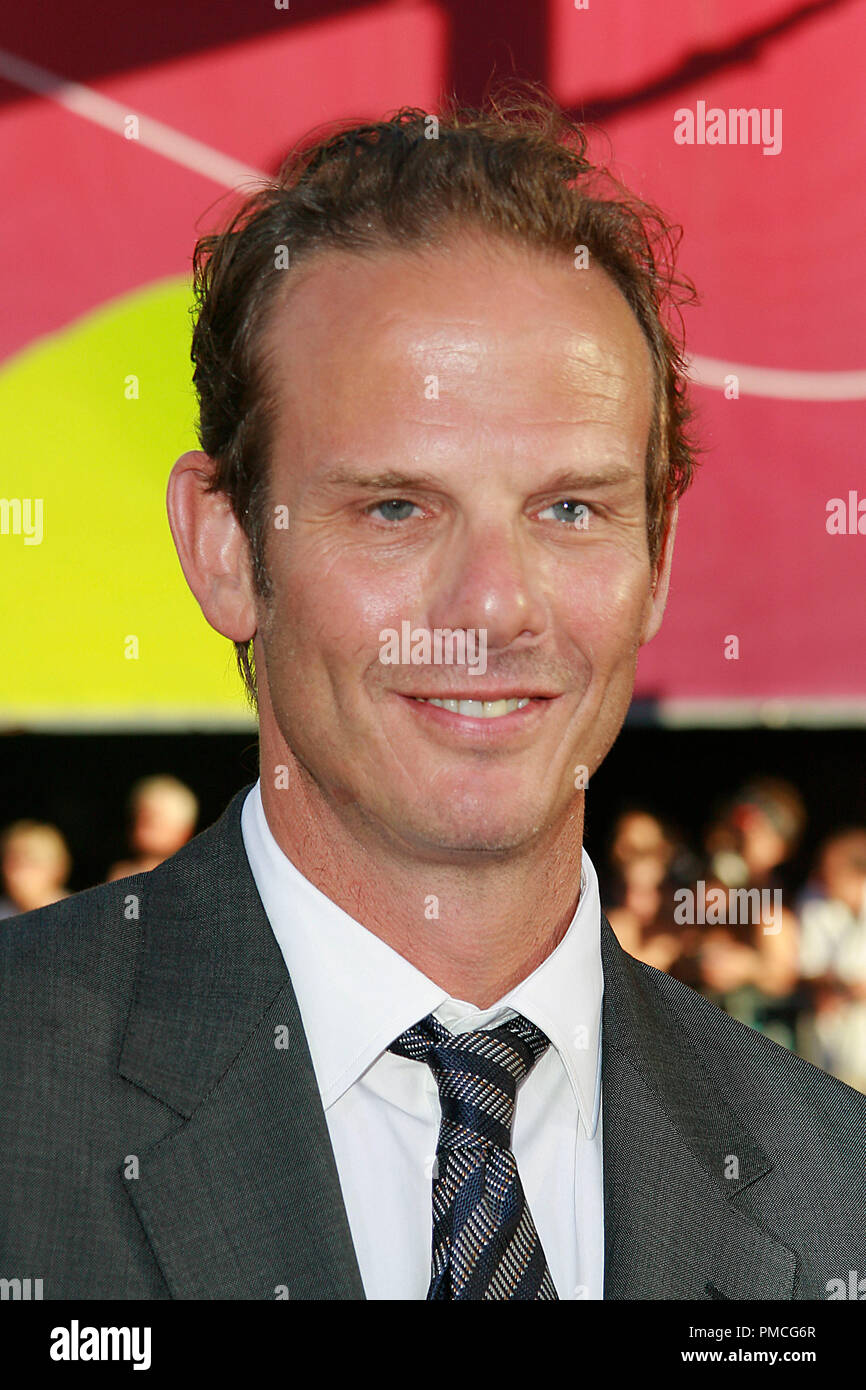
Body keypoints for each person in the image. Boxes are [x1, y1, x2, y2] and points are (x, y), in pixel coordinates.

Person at [2, 96, 864, 1302]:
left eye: (570, 509)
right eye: (394, 507)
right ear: (224, 547)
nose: (493, 606)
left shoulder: (838, 1198)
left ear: (658, 558)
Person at [106, 774, 199, 881]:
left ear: (185, 832)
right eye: (141, 815)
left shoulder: (189, 880)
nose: (145, 823)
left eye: (159, 817)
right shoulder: (119, 875)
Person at [0, 820, 72, 918]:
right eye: (11, 863)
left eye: (30, 862)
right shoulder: (3, 915)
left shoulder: (78, 915)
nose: (17, 874)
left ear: (57, 867)